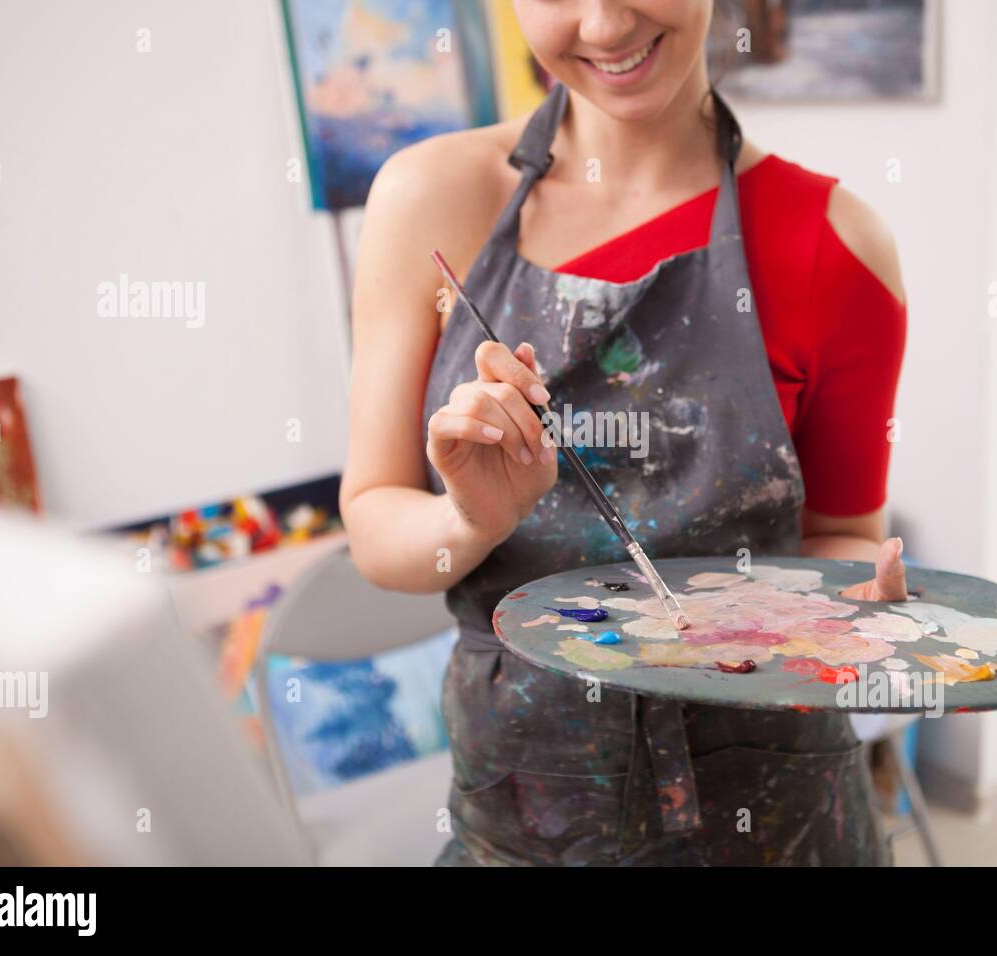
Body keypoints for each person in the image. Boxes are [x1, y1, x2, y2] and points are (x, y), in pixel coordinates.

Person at [341, 0, 907, 865]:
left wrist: (858, 609)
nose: (603, 25)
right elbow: (378, 531)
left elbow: (845, 540)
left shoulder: (835, 241)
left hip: (777, 820)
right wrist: (472, 521)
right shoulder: (430, 199)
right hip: (525, 818)